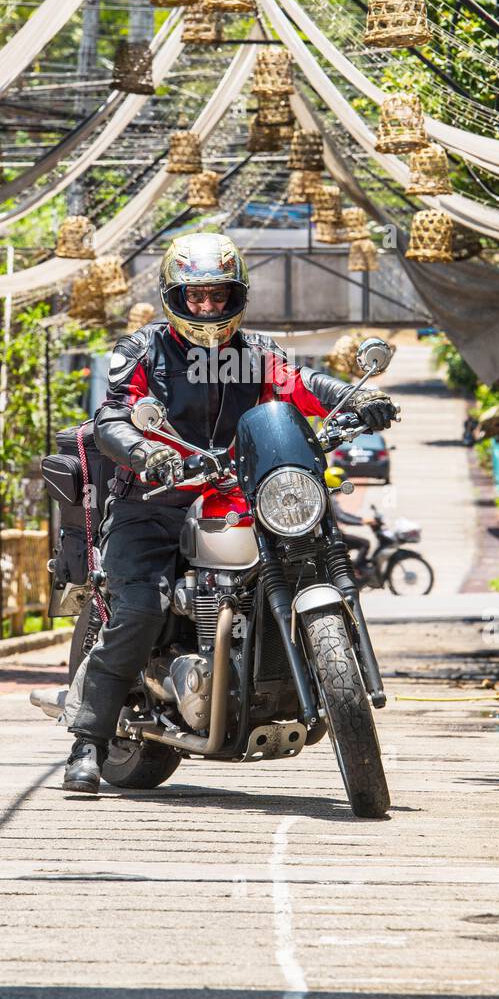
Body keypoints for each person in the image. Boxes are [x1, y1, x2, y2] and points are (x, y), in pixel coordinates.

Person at [63, 232, 397, 793]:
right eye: (196, 297)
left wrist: (355, 398)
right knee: (141, 607)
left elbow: (303, 385)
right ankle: (88, 742)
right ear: (175, 295)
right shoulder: (142, 350)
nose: (209, 308)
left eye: (219, 296)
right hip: (152, 500)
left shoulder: (255, 353)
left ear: (236, 296)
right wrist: (147, 453)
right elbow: (113, 418)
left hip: (239, 492)